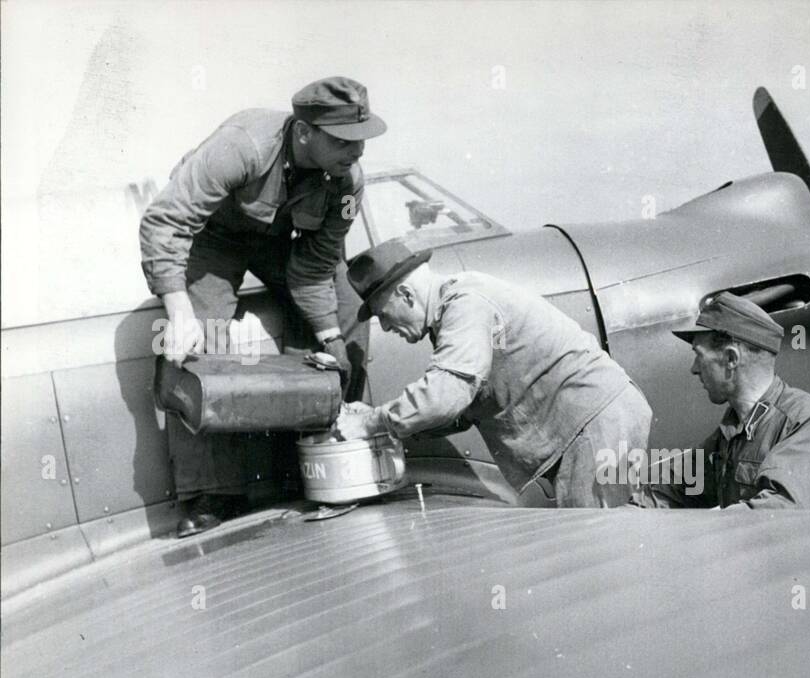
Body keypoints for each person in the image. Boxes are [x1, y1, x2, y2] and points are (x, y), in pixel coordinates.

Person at [140, 76, 385, 537]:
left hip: (279, 242)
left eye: (361, 141)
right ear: (304, 131)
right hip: (211, 238)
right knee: (199, 342)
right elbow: (165, 221)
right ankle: (211, 493)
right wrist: (179, 309)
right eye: (342, 141)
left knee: (348, 307)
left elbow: (314, 267)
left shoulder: (348, 183)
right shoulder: (243, 145)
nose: (355, 153)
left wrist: (330, 336)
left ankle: (328, 452)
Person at [336, 239, 651, 507]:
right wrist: (383, 421)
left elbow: (446, 395)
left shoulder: (465, 303)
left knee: (598, 547)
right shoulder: (455, 306)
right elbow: (461, 409)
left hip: (594, 425)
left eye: (383, 315)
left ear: (405, 294)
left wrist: (371, 422)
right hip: (591, 426)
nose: (387, 327)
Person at [634, 291, 810, 509]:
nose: (694, 369)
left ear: (731, 358)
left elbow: (779, 509)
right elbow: (676, 487)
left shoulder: (801, 419)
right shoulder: (733, 428)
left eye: (699, 355)